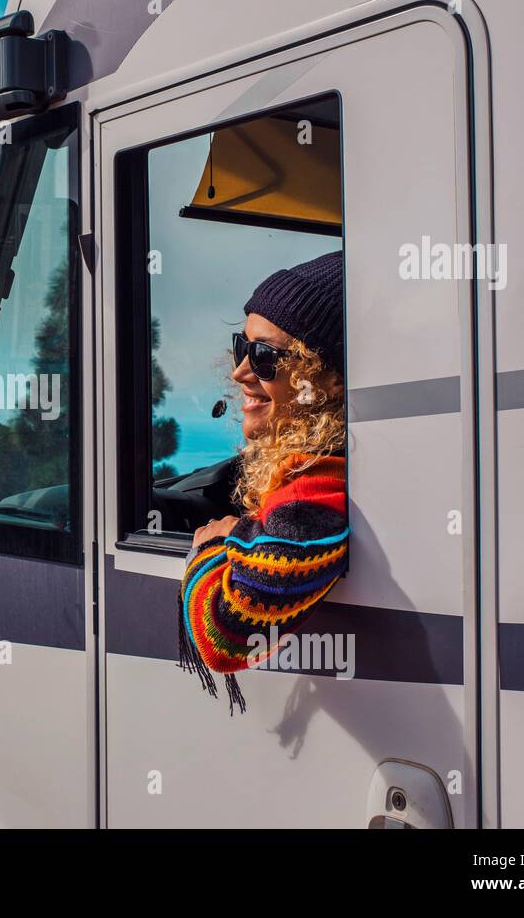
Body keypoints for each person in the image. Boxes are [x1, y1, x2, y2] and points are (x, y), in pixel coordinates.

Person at [178, 250, 349, 714]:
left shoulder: (320, 488)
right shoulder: (312, 469)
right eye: (242, 346)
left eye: (265, 356)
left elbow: (227, 634)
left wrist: (214, 545)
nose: (240, 371)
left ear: (331, 379)